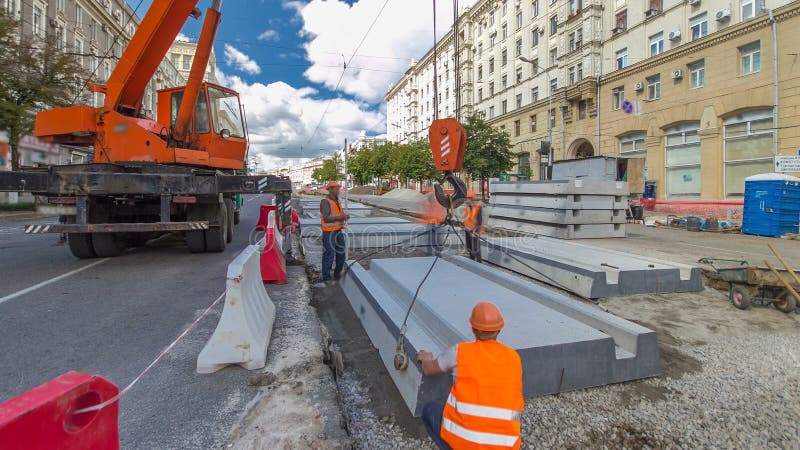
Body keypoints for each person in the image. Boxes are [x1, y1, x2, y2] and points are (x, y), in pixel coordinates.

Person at [416, 302, 524, 450]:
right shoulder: (514, 358)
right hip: (506, 446)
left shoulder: (460, 352)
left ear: (473, 329)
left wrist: (426, 358)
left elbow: (429, 370)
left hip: (464, 445)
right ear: (499, 330)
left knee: (429, 410)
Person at [320, 181, 349, 282]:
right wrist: (340, 217)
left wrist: (344, 216)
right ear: (331, 190)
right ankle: (326, 277)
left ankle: (337, 274)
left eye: (338, 188)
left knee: (341, 252)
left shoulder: (337, 200)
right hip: (329, 232)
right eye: (337, 188)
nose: (339, 190)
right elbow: (326, 218)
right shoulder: (325, 201)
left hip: (338, 231)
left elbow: (338, 213)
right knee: (329, 254)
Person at [462, 190, 484, 262]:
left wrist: (476, 232)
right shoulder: (468, 207)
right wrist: (464, 227)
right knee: (469, 248)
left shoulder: (478, 207)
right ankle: (472, 261)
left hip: (475, 232)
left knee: (476, 249)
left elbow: (479, 221)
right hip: (468, 230)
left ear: (471, 198)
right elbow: (467, 219)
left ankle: (479, 262)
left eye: (466, 198)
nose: (465, 200)